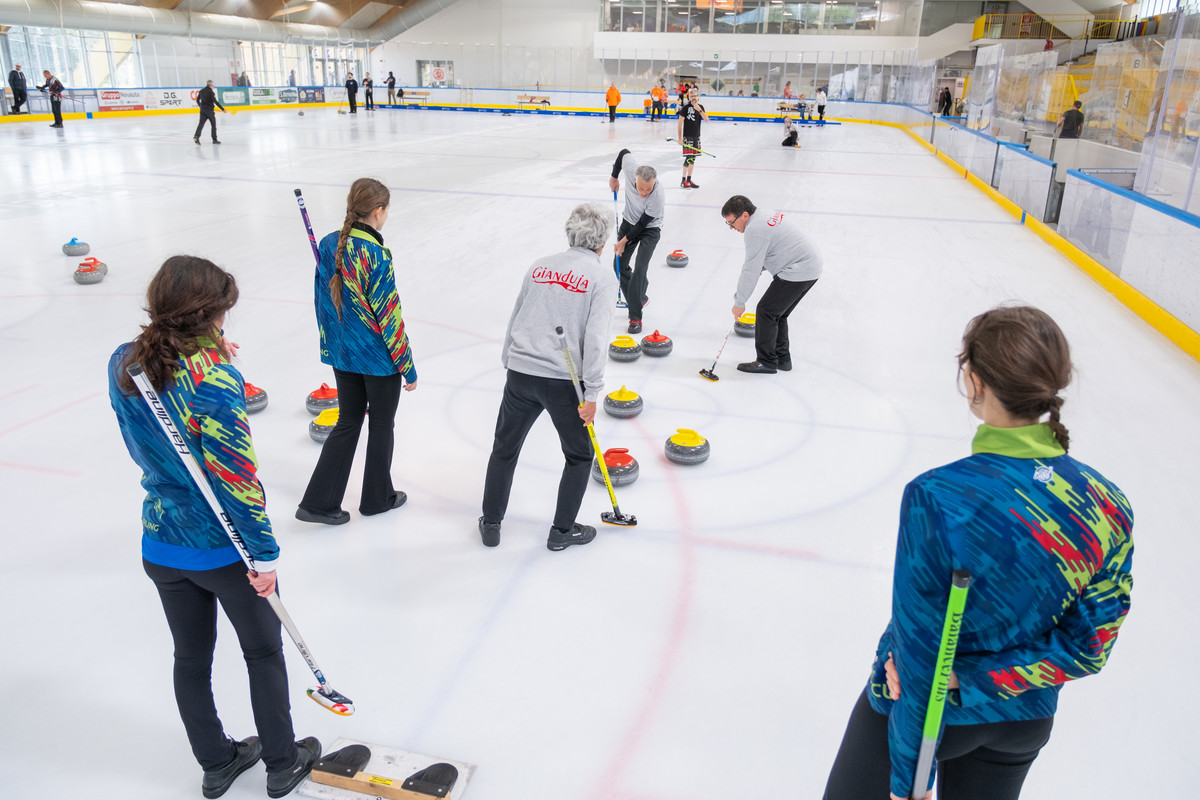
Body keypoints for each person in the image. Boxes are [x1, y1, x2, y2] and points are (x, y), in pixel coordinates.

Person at [823, 305, 1134, 800]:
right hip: (1024, 720)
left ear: (974, 380)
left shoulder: (940, 496)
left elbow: (920, 657)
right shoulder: (1108, 503)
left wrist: (907, 781)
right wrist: (981, 681)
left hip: (927, 724)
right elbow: (1089, 648)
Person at [108, 255, 322, 800]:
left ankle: (217, 762)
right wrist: (266, 556)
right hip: (223, 550)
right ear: (210, 315)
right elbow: (238, 479)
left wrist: (207, 356)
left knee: (190, 658)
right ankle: (280, 762)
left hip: (161, 541)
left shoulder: (123, 362)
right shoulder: (217, 381)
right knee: (262, 654)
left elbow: (158, 404)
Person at [479, 203, 616, 552]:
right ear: (601, 242)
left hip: (521, 373)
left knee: (504, 450)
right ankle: (562, 531)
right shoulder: (600, 277)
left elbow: (517, 315)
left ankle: (491, 522)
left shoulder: (540, 266)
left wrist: (510, 359)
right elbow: (597, 340)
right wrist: (592, 394)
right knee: (579, 456)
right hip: (562, 382)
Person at [297, 178, 416, 525]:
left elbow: (323, 304)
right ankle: (377, 498)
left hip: (344, 354)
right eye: (387, 210)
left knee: (348, 421)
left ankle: (319, 502)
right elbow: (388, 316)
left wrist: (334, 346)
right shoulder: (376, 255)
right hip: (378, 359)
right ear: (378, 212)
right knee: (381, 424)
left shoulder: (329, 244)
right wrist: (407, 365)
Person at [721, 195, 822, 374]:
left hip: (798, 269)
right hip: (810, 267)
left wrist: (739, 302)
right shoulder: (763, 215)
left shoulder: (755, 229)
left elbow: (750, 270)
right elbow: (764, 257)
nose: (731, 228)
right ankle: (782, 359)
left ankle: (766, 361)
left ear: (744, 215)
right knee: (777, 314)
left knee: (766, 311)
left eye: (731, 222)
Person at [608, 150, 664, 335]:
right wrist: (614, 177)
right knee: (618, 266)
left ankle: (635, 317)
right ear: (634, 180)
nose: (644, 193)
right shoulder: (631, 169)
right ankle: (639, 297)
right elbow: (623, 152)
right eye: (641, 188)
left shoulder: (657, 195)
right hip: (628, 223)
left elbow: (642, 224)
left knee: (640, 269)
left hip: (649, 230)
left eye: (648, 189)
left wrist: (623, 241)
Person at [677, 87, 708, 189]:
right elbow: (680, 123)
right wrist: (680, 138)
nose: (694, 97)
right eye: (692, 96)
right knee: (689, 157)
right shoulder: (685, 108)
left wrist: (698, 109)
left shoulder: (701, 107)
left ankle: (688, 180)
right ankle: (684, 180)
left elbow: (706, 119)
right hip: (688, 136)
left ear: (698, 97)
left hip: (696, 136)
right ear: (689, 97)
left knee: (692, 158)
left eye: (695, 95)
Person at [194, 80, 226, 145]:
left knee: (201, 124)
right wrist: (222, 109)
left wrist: (201, 107)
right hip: (209, 111)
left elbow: (197, 100)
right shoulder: (211, 92)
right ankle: (214, 139)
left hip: (202, 110)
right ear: (210, 85)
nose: (213, 86)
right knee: (213, 125)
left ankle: (196, 136)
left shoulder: (201, 91)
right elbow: (215, 102)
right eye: (213, 85)